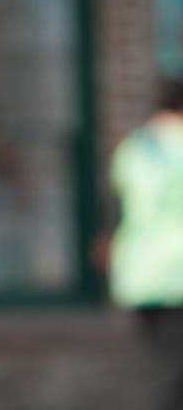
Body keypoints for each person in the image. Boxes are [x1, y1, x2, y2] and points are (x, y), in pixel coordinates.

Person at [108, 79, 183, 410]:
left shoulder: (136, 146)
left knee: (166, 369)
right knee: (174, 378)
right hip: (176, 275)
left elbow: (117, 200)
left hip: (141, 275)